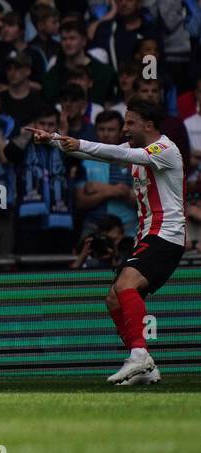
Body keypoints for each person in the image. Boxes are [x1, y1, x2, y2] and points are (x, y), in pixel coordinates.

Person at [28, 97, 183, 386]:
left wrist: (80, 143)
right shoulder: (134, 150)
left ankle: (139, 356)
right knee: (113, 298)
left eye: (130, 122)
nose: (125, 128)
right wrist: (53, 140)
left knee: (125, 286)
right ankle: (145, 366)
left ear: (148, 125)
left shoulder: (165, 149)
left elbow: (114, 153)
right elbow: (99, 154)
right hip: (148, 235)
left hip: (167, 235)